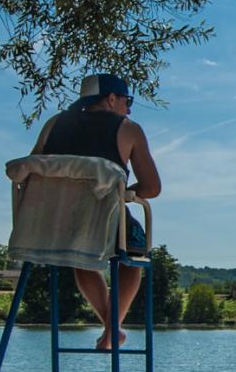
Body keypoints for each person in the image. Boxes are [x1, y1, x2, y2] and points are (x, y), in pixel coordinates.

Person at [32, 72, 163, 351]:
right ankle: (112, 328)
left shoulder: (53, 124)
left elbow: (33, 168)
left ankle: (111, 328)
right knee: (133, 253)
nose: (128, 108)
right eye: (127, 101)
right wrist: (124, 194)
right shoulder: (127, 128)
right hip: (105, 222)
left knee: (83, 256)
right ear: (111, 98)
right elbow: (152, 187)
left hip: (52, 225)